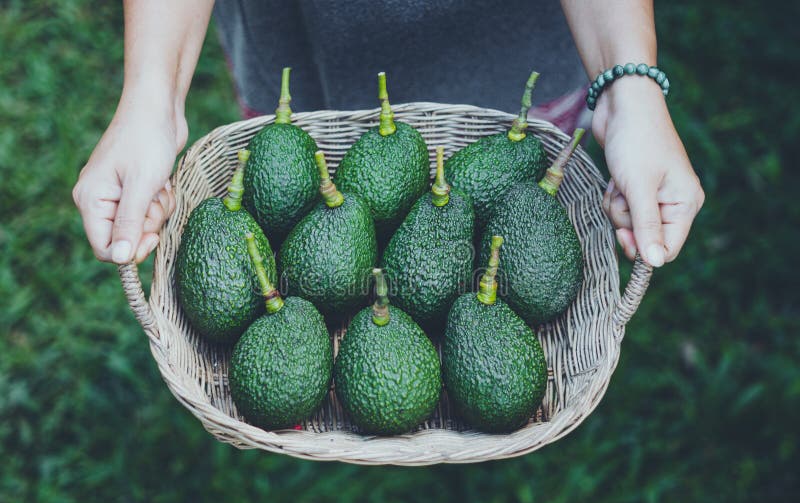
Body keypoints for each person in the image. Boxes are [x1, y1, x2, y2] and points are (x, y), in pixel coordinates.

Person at [73, 1, 704, 268]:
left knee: (511, 192)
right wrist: (151, 103)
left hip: (515, 63)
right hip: (304, 55)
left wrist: (630, 89)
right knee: (298, 176)